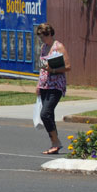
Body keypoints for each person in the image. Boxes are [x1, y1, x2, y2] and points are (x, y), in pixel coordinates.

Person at [36, 22, 69, 155]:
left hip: (56, 85)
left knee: (45, 113)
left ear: (50, 34)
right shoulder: (44, 47)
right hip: (44, 85)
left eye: (43, 37)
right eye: (40, 37)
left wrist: (53, 69)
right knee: (49, 115)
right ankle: (54, 143)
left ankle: (57, 142)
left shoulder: (58, 47)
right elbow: (42, 67)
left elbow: (68, 66)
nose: (42, 40)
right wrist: (38, 85)